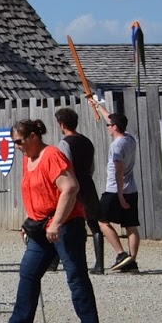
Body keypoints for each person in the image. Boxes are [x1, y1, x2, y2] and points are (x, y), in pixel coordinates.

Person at [0, 118, 102, 323]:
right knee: (28, 271)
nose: (17, 146)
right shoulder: (28, 159)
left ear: (34, 137)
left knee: (75, 275)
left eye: (19, 141)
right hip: (40, 225)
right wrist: (30, 222)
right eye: (14, 142)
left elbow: (70, 187)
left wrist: (57, 223)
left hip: (65, 224)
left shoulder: (52, 155)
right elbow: (38, 193)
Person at [52, 108, 105, 276]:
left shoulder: (64, 143)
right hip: (87, 183)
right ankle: (99, 263)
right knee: (94, 223)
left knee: (65, 221)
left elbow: (65, 166)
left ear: (61, 124)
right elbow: (92, 167)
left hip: (73, 184)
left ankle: (56, 261)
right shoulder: (87, 141)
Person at [93, 104, 140, 273]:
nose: (107, 127)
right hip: (131, 189)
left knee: (102, 221)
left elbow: (118, 171)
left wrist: (120, 195)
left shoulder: (116, 146)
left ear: (115, 127)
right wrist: (98, 107)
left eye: (109, 125)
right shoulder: (130, 138)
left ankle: (121, 254)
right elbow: (111, 118)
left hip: (115, 189)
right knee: (130, 225)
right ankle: (132, 261)